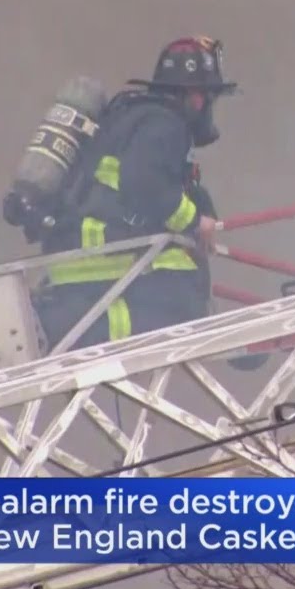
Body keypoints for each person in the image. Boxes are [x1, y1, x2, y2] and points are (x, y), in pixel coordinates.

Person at [29, 35, 236, 352]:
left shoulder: (131, 118)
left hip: (77, 260)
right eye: (208, 97)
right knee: (184, 298)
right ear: (196, 98)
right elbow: (144, 182)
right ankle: (89, 336)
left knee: (180, 279)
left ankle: (73, 328)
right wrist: (196, 222)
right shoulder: (165, 125)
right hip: (104, 258)